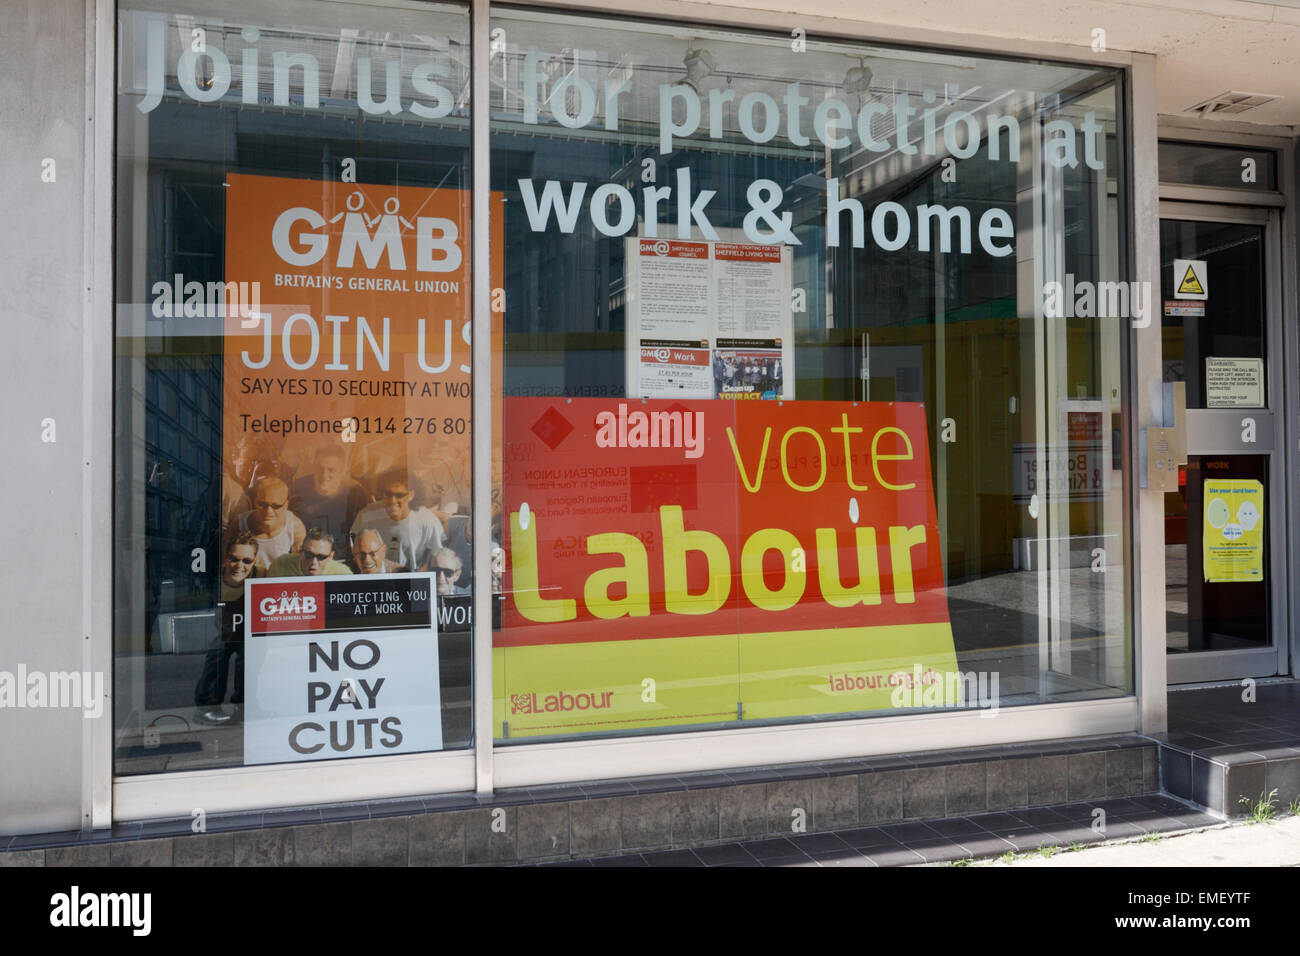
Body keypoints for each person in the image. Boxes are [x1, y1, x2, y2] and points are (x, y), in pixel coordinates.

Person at [193, 533, 258, 726]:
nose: (240, 565)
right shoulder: (214, 577)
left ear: (255, 560)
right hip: (223, 625)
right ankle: (206, 708)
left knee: (249, 661)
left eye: (247, 560)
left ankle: (243, 707)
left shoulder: (261, 573)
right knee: (217, 656)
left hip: (247, 625)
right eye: (234, 559)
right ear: (226, 557)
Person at [350, 468, 444, 572]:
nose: (392, 501)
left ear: (411, 495)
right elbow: (352, 546)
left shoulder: (427, 520)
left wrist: (423, 570)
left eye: (399, 495)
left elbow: (437, 553)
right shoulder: (367, 515)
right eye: (388, 494)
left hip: (411, 579)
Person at [290, 444, 368, 540]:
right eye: (320, 468)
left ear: (341, 472)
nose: (324, 475)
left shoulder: (355, 493)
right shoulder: (298, 488)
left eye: (331, 470)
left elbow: (363, 531)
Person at [234, 476, 306, 572]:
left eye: (276, 506)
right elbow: (226, 561)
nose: (268, 511)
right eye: (263, 504)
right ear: (255, 501)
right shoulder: (239, 523)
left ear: (286, 505)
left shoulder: (295, 527)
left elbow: (299, 567)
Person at [266, 529, 352, 576]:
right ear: (301, 551)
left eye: (321, 557)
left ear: (331, 556)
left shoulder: (342, 573)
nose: (314, 562)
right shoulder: (280, 565)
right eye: (309, 555)